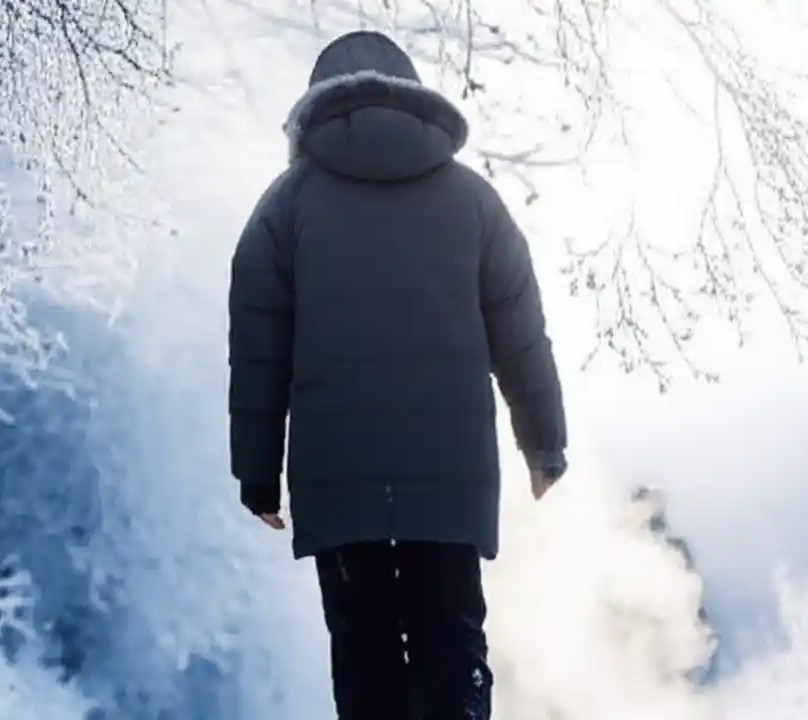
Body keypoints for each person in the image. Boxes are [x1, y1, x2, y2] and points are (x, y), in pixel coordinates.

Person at [228, 30, 568, 720]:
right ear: (413, 96)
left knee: (365, 656)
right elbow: (521, 334)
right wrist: (544, 444)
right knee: (452, 650)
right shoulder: (476, 202)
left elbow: (259, 351)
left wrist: (258, 474)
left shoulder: (283, 208)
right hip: (449, 478)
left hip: (339, 479)